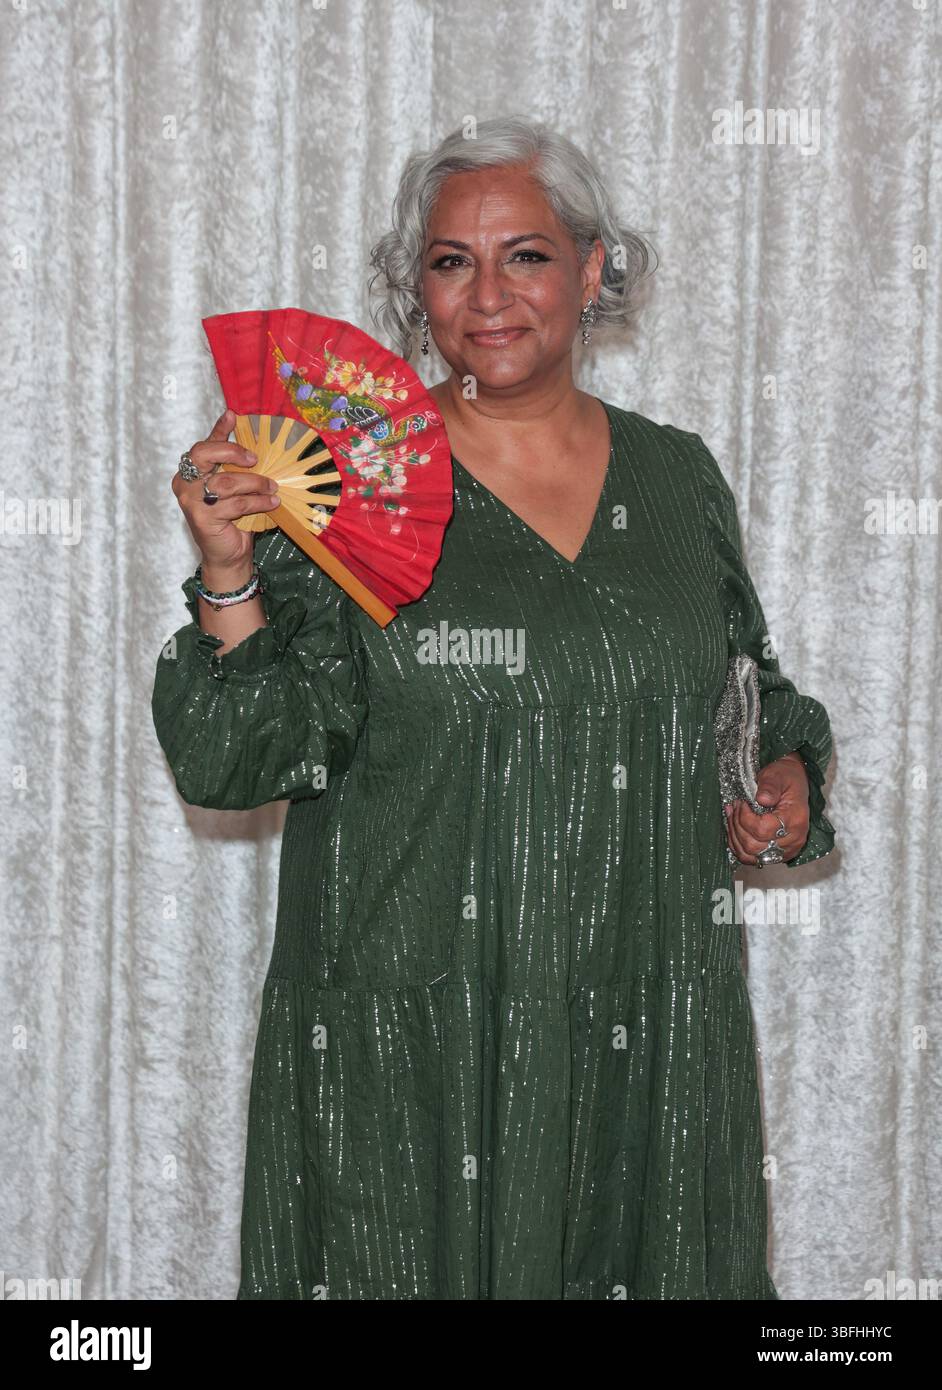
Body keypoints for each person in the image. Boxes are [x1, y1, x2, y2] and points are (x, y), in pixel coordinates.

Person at [152, 116, 836, 1300]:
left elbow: (748, 696)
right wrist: (228, 572)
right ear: (414, 288)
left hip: (646, 1031)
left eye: (525, 254)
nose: (489, 295)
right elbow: (240, 756)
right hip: (413, 1047)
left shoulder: (679, 479)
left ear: (591, 267)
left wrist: (785, 778)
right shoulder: (347, 482)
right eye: (450, 260)